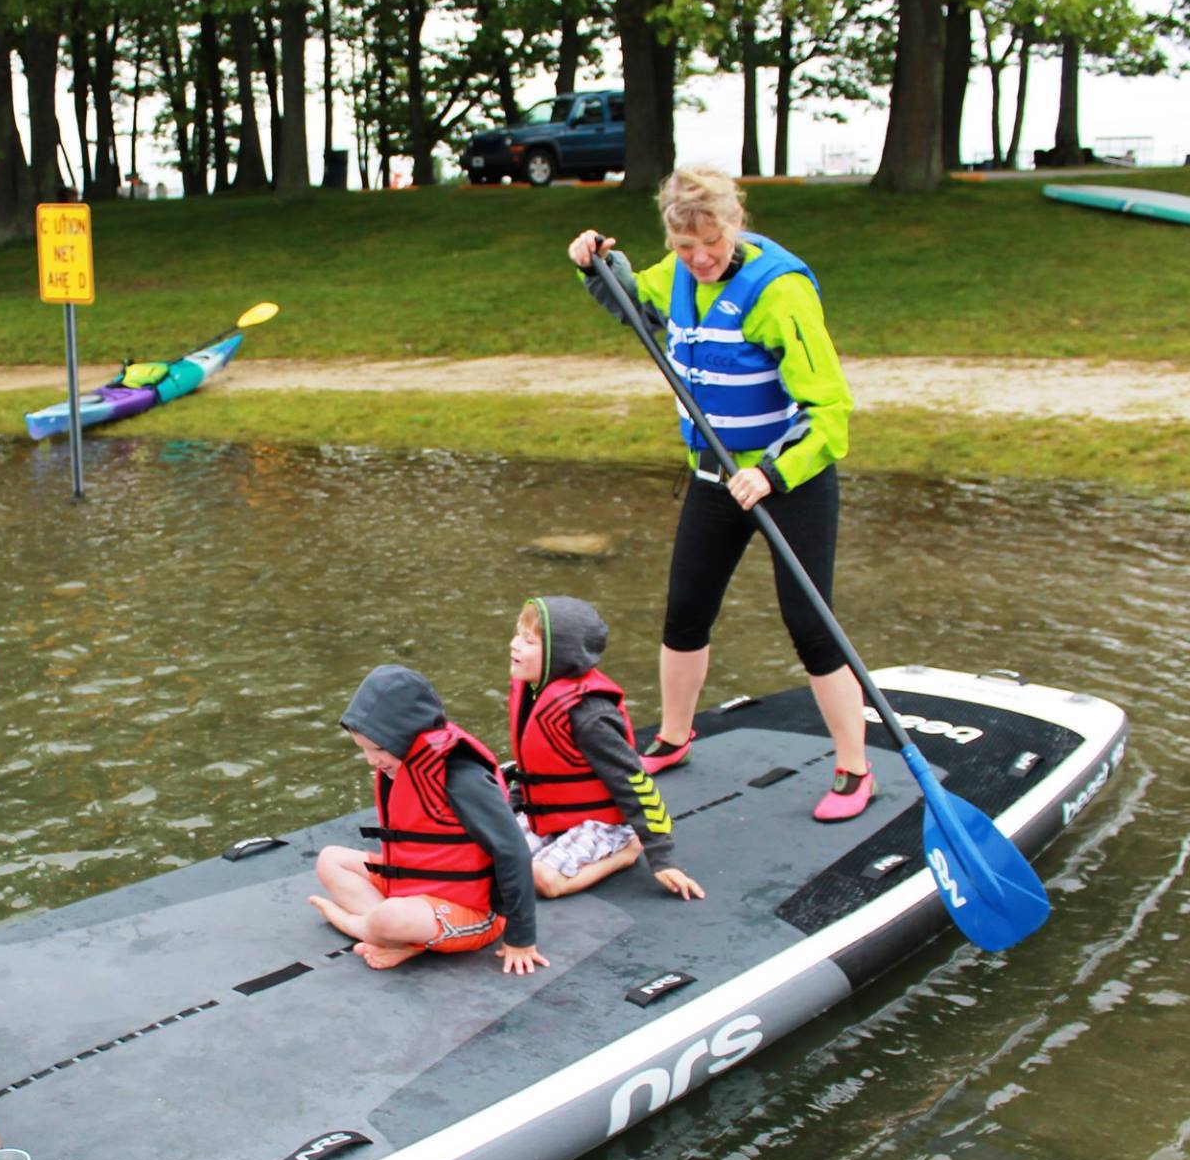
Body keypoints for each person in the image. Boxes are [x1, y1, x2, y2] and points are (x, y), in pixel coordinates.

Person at [568, 165, 873, 823]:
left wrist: (770, 471)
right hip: (713, 476)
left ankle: (853, 764)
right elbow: (632, 299)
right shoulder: (675, 272)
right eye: (685, 246)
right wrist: (594, 262)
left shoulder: (779, 293)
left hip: (788, 479)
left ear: (735, 225)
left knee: (809, 624)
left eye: (712, 242)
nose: (700, 259)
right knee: (685, 611)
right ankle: (675, 736)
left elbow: (829, 413)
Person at [311, 665, 546, 974]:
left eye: (379, 748)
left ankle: (365, 927)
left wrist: (521, 939)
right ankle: (394, 938)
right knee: (330, 860)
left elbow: (513, 851)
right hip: (412, 890)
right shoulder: (404, 764)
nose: (372, 761)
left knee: (391, 917)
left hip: (472, 911)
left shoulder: (462, 777)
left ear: (408, 734)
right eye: (365, 750)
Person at [506, 597, 704, 900]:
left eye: (528, 640)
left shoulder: (591, 716)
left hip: (602, 823)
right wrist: (507, 811)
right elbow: (533, 770)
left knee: (540, 878)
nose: (514, 644)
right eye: (518, 634)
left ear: (561, 655)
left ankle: (625, 851)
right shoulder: (535, 694)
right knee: (488, 853)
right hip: (549, 816)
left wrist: (661, 856)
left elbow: (634, 782)